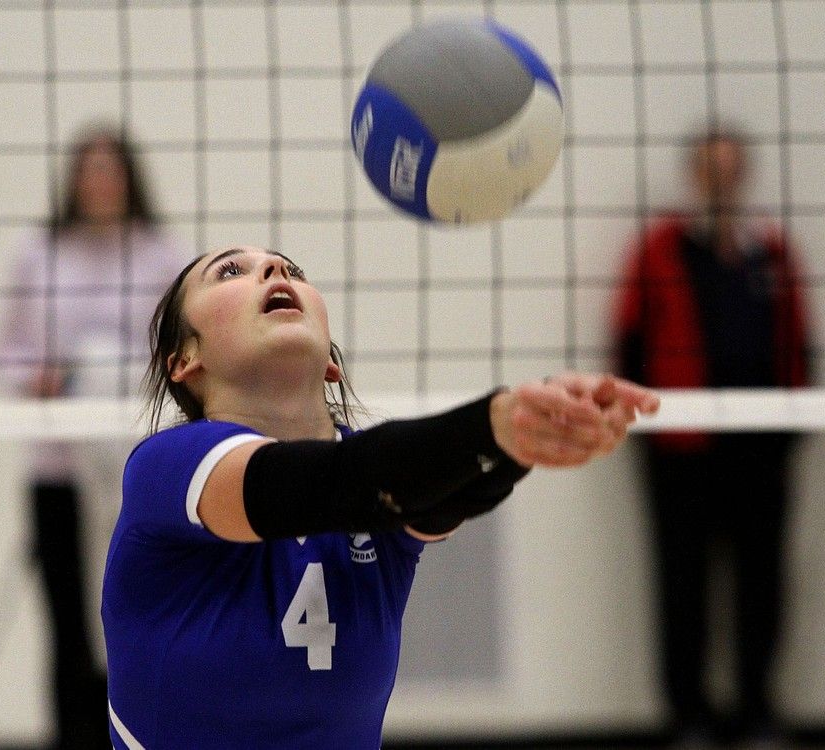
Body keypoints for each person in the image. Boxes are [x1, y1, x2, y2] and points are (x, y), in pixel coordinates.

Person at [101, 244, 661, 749]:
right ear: (183, 362)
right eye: (230, 271)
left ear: (329, 364)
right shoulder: (166, 470)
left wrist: (537, 429)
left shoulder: (380, 480)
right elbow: (317, 485)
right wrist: (499, 425)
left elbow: (439, 494)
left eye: (292, 268)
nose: (273, 269)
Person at [612, 127, 812, 747]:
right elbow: (628, 345)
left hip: (760, 447)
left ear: (744, 174)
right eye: (710, 167)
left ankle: (756, 710)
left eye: (731, 167)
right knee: (683, 586)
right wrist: (649, 429)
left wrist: (790, 433)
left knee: (763, 584)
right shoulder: (661, 250)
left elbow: (799, 345)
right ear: (695, 175)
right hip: (683, 452)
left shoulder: (771, 252)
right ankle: (688, 717)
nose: (721, 177)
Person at [0, 125, 191, 749]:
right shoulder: (38, 253)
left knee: (143, 619)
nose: (101, 181)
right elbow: (5, 357)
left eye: (112, 169)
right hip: (59, 471)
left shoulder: (164, 254)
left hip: (142, 475)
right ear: (74, 181)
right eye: (90, 169)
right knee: (69, 628)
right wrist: (42, 378)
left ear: (130, 178)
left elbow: (186, 356)